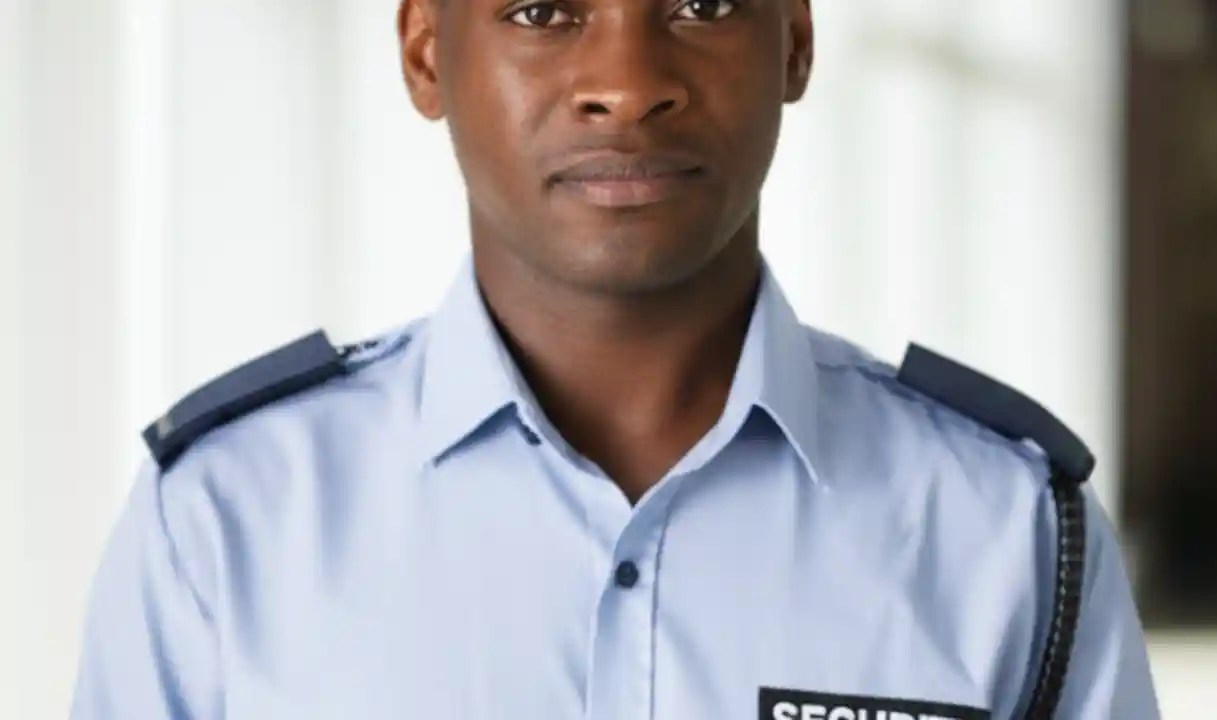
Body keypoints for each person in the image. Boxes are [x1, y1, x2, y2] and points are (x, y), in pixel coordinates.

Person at [71, 0, 1161, 717]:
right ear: (424, 53)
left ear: (793, 41)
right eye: (544, 11)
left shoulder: (1004, 529)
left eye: (701, 4)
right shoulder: (224, 525)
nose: (627, 82)